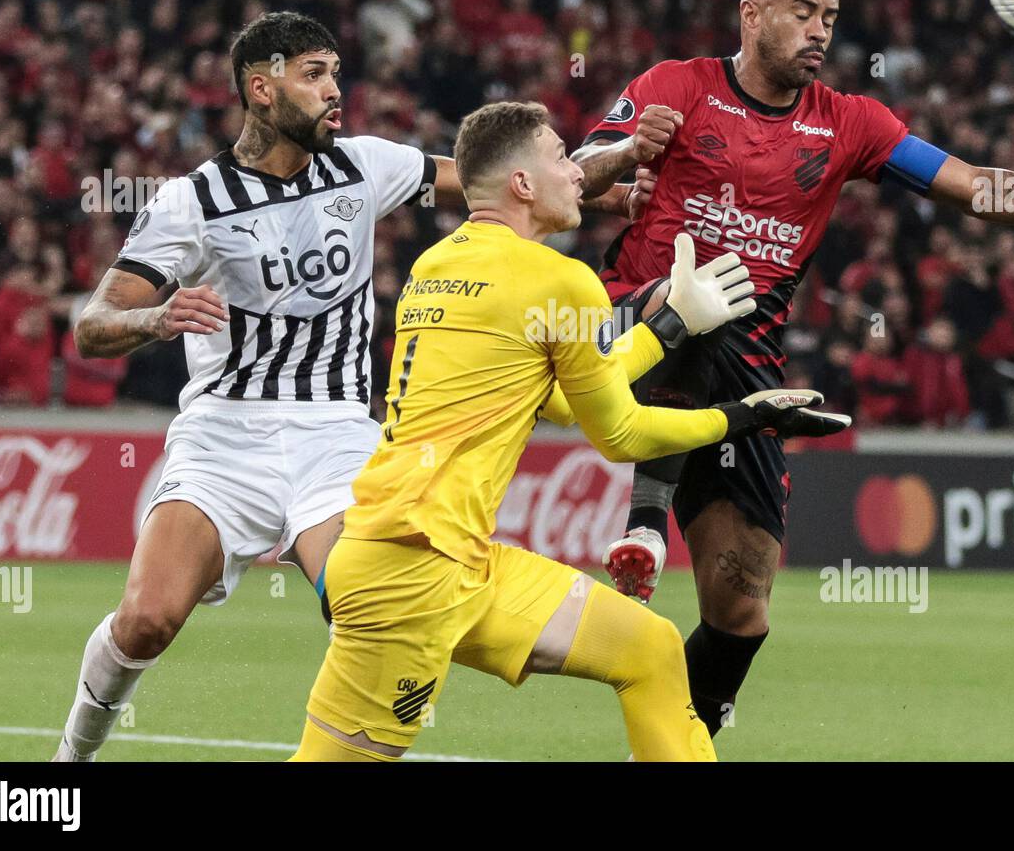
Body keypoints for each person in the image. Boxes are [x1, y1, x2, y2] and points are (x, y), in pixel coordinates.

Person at [572, 0, 1014, 738]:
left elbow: (974, 187)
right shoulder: (675, 85)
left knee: (742, 613)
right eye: (802, 12)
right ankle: (644, 522)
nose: (819, 31)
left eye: (829, 19)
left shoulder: (849, 122)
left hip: (749, 368)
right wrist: (627, 158)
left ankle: (677, 746)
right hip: (637, 322)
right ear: (751, 14)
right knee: (695, 297)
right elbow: (570, 178)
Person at [51, 11, 644, 762]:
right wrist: (160, 315)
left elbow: (500, 181)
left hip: (335, 434)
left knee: (368, 603)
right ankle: (71, 759)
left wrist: (622, 166)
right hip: (223, 438)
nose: (336, 91)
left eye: (335, 72)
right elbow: (92, 323)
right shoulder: (192, 202)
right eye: (315, 76)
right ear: (261, 91)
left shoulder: (363, 165)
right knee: (145, 620)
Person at [289, 101, 849, 762]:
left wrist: (669, 328)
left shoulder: (435, 265)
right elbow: (620, 432)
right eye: (561, 157)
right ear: (522, 184)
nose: (578, 173)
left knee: (648, 648)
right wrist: (749, 415)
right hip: (413, 576)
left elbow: (552, 399)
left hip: (442, 560)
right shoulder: (559, 278)